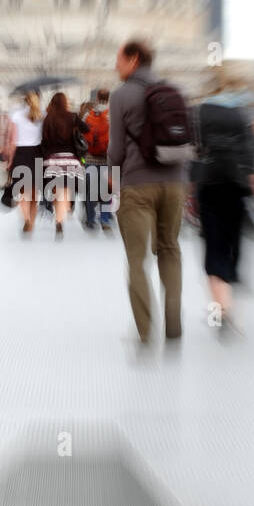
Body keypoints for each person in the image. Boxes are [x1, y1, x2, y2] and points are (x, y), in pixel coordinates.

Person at [108, 39, 186, 344]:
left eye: (119, 59)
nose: (115, 65)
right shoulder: (175, 90)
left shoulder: (121, 95)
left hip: (137, 184)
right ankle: (174, 323)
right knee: (169, 248)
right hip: (174, 182)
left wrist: (113, 178)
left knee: (137, 258)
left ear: (133, 59)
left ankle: (144, 330)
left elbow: (115, 150)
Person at [191, 72, 254, 335]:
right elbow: (252, 150)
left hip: (209, 181)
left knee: (213, 243)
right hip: (237, 183)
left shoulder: (199, 112)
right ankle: (229, 292)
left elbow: (193, 147)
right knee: (232, 240)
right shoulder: (243, 113)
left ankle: (222, 308)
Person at [40, 92, 88, 239]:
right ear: (65, 102)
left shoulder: (48, 118)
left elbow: (44, 140)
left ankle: (58, 219)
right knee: (66, 189)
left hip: (52, 159)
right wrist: (75, 127)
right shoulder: (72, 116)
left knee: (56, 190)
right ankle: (64, 211)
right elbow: (86, 129)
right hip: (70, 159)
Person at [2, 90, 43, 235]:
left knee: (24, 193)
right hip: (37, 155)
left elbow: (13, 142)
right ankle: (31, 222)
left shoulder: (16, 116)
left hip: (20, 155)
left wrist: (10, 162)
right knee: (34, 195)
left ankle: (26, 219)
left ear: (24, 100)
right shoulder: (41, 115)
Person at [82, 88, 113, 231]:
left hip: (90, 158)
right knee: (107, 190)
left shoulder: (89, 115)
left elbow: (81, 135)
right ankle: (105, 219)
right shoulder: (113, 114)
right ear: (109, 98)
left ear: (97, 97)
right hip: (109, 158)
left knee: (90, 191)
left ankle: (90, 219)